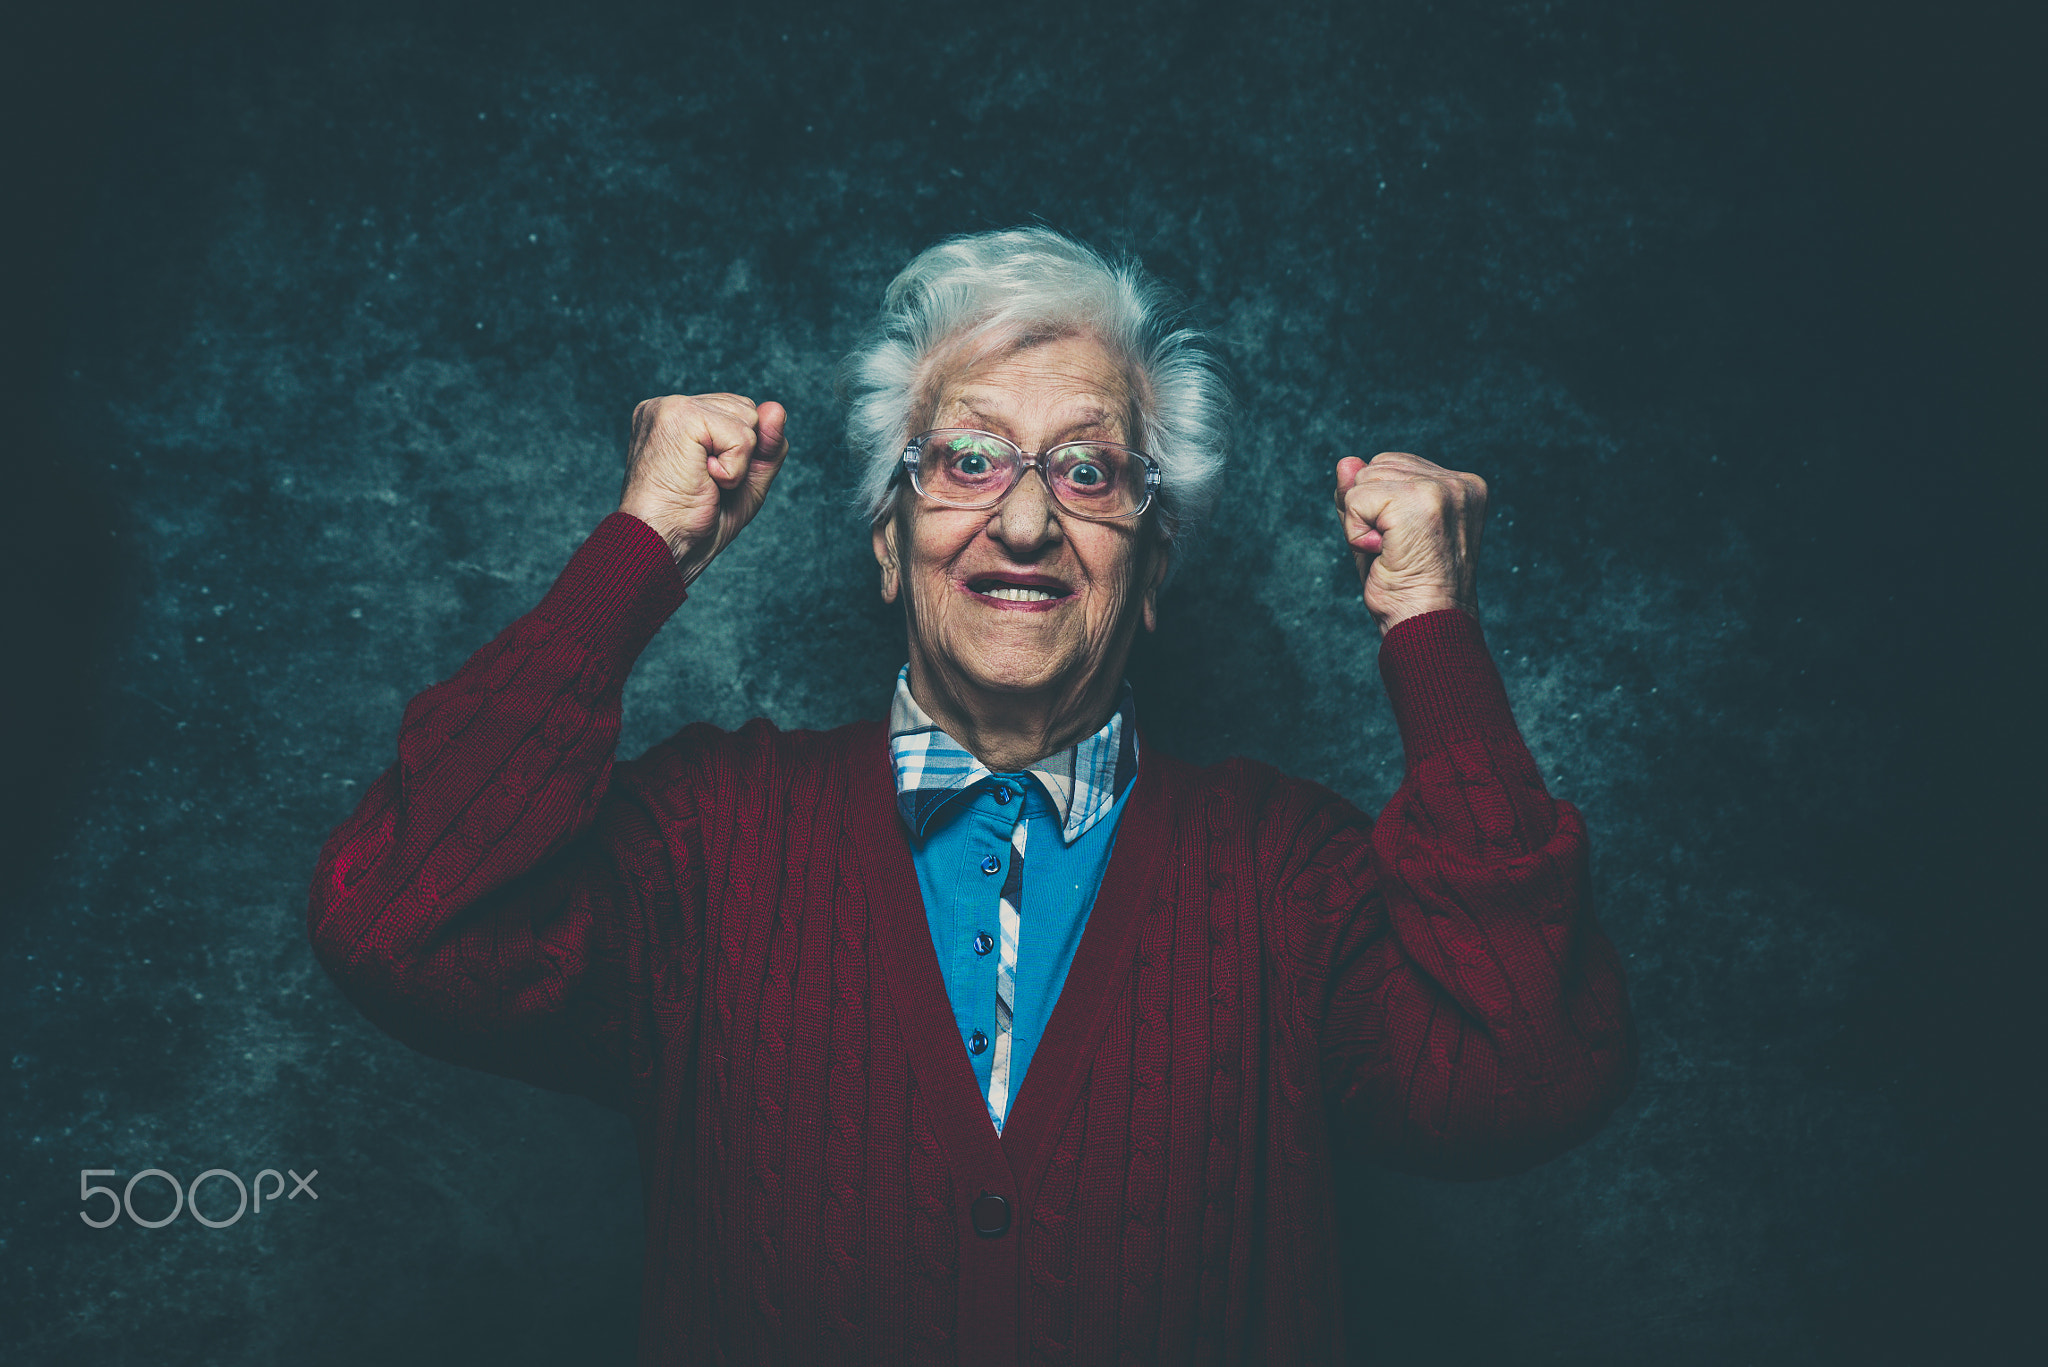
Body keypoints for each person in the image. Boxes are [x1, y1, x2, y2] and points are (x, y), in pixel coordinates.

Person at [308, 226, 1634, 1365]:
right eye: (966, 461)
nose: (1024, 522)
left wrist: (1432, 630)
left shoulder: (1286, 875)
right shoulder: (714, 839)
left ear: (1153, 562)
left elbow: (1528, 1074)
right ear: (889, 538)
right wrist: (638, 551)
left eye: (1090, 471)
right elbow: (399, 924)